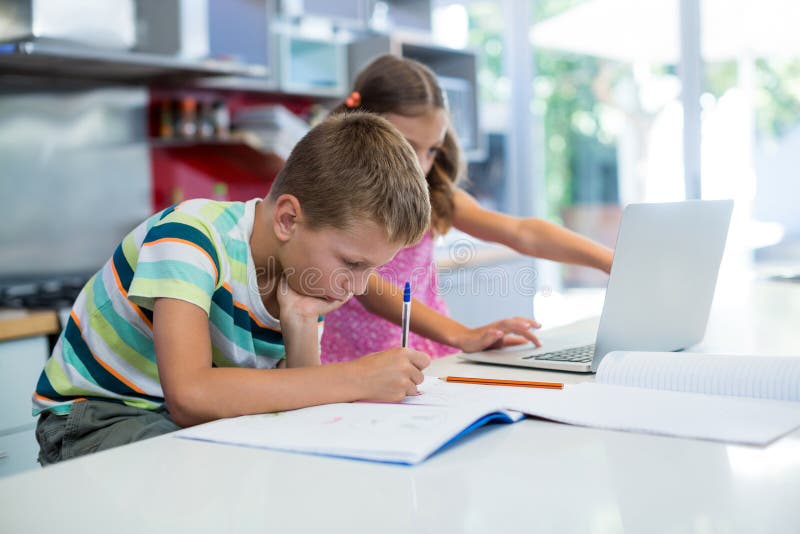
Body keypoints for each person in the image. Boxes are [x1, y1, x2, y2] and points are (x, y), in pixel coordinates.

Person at [32, 112, 432, 465]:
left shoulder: (307, 277)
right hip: (98, 417)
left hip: (181, 421)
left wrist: (301, 321)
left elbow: (300, 403)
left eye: (371, 269)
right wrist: (356, 378)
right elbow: (190, 396)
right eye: (352, 263)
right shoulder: (191, 236)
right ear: (289, 220)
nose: (356, 287)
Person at [321, 55, 614, 364]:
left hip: (427, 351)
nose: (420, 166)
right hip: (353, 360)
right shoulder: (335, 197)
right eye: (406, 147)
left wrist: (612, 261)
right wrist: (463, 334)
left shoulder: (433, 195)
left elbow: (522, 232)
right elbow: (369, 288)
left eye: (431, 149)